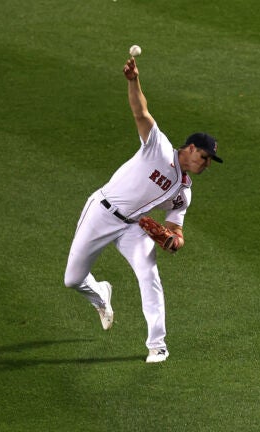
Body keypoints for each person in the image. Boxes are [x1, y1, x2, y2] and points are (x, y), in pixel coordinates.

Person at [63, 56, 223, 363]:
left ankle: (157, 345)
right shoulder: (158, 147)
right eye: (203, 157)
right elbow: (141, 112)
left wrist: (173, 241)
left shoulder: (184, 192)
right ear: (190, 148)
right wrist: (133, 80)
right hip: (102, 212)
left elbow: (176, 229)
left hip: (134, 227)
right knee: (72, 280)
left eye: (208, 161)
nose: (205, 164)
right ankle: (101, 295)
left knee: (149, 276)